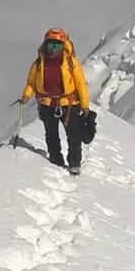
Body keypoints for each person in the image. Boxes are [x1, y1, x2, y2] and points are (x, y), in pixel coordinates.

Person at [21, 27, 90, 175]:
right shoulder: (39, 63)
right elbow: (31, 83)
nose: (53, 48)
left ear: (64, 44)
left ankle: (74, 162)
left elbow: (80, 83)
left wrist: (84, 105)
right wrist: (26, 95)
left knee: (74, 135)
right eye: (51, 44)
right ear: (45, 44)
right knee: (51, 134)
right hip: (47, 104)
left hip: (69, 104)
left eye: (57, 45)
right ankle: (55, 159)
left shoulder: (71, 62)